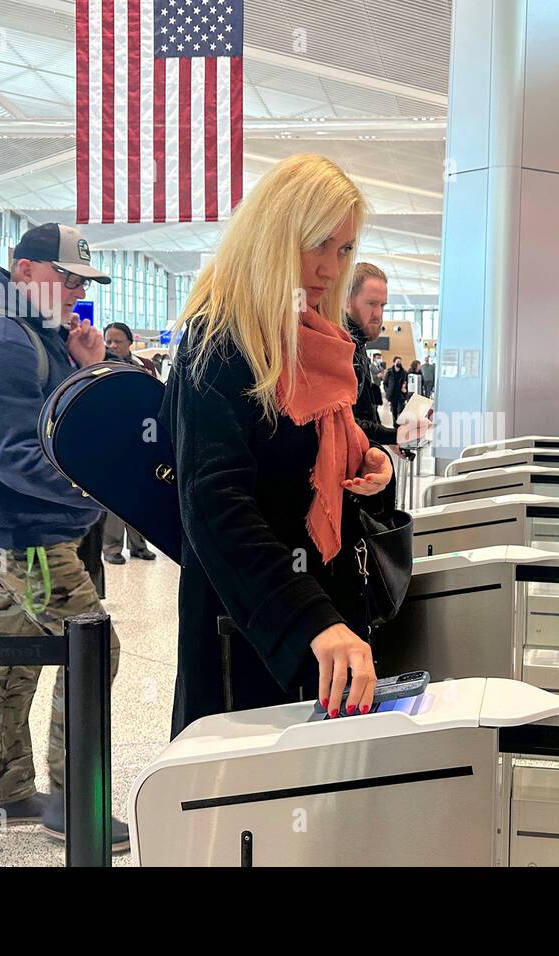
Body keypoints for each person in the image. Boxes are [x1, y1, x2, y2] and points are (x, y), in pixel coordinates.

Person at [161, 153, 397, 734]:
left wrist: (375, 463)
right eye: (317, 244)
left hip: (331, 618)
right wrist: (308, 620)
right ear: (274, 235)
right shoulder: (221, 338)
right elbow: (214, 503)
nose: (329, 267)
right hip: (255, 628)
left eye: (343, 250)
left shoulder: (324, 340)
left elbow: (355, 435)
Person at [0, 222, 130, 850]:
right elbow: (14, 452)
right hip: (25, 533)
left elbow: (53, 424)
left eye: (82, 282)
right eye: (66, 277)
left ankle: (0, 790)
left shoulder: (31, 333)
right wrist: (98, 488)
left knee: (14, 656)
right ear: (24, 270)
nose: (75, 292)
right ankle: (74, 803)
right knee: (93, 648)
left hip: (23, 527)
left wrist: (85, 368)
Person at [100, 321, 158, 565]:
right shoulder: (100, 366)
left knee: (140, 494)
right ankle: (111, 547)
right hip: (112, 440)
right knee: (114, 496)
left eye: (117, 341)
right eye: (109, 341)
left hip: (141, 437)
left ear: (130, 343)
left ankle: (139, 545)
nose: (112, 345)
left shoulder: (144, 366)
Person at [344, 262, 397, 445]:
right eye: (371, 303)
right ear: (346, 301)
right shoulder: (340, 347)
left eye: (383, 305)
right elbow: (346, 424)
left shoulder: (359, 345)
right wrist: (395, 435)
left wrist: (389, 439)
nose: (378, 314)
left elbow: (366, 409)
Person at [386, 355, 408, 423]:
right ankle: (395, 425)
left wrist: (405, 389)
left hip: (401, 395)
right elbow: (385, 383)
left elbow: (407, 382)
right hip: (392, 395)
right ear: (394, 362)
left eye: (400, 362)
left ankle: (400, 423)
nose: (399, 363)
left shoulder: (404, 373)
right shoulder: (389, 372)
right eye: (398, 361)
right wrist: (387, 391)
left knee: (400, 410)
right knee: (394, 410)